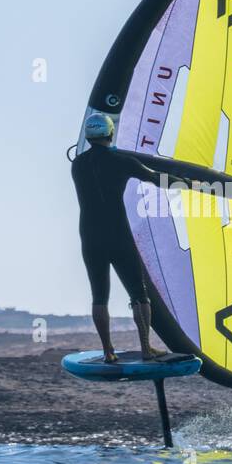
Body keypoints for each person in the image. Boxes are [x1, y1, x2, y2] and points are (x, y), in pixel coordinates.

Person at [71, 113, 167, 363]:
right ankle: (147, 349)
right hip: (117, 234)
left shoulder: (77, 164)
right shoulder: (123, 161)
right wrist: (190, 183)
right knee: (138, 293)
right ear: (110, 133)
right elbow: (155, 178)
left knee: (99, 295)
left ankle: (108, 351)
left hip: (90, 236)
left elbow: (94, 162)